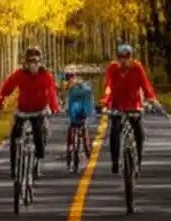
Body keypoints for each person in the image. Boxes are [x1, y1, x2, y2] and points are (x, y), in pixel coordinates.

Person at [0, 45, 58, 180]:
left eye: (36, 61)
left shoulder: (45, 76)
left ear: (40, 62)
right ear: (25, 63)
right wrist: (0, 99)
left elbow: (51, 93)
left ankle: (37, 163)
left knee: (39, 136)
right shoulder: (20, 74)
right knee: (15, 136)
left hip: (39, 111)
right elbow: (7, 87)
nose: (33, 65)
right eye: (30, 61)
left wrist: (53, 106)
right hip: (23, 111)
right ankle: (14, 166)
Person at [103, 43, 159, 175]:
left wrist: (152, 99)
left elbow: (145, 84)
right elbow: (108, 86)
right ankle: (115, 162)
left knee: (139, 132)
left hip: (133, 105)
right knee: (114, 131)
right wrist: (105, 102)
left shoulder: (137, 68)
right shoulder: (112, 68)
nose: (123, 59)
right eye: (121, 57)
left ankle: (138, 161)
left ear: (131, 56)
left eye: (126, 56)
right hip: (117, 105)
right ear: (117, 57)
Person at [63, 71, 95, 154]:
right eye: (68, 79)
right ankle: (70, 146)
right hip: (74, 110)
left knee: (84, 127)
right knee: (71, 126)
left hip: (82, 109)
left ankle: (86, 145)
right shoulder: (67, 86)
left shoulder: (81, 86)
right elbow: (66, 99)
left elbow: (88, 96)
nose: (70, 81)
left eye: (71, 78)